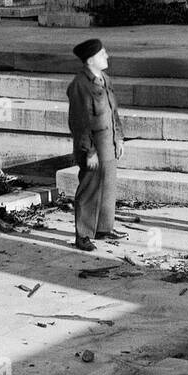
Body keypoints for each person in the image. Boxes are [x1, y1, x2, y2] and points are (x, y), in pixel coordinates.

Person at [66, 38, 127, 251]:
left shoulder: (105, 79)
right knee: (90, 188)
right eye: (103, 54)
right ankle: (83, 234)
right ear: (91, 59)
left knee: (108, 185)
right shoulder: (80, 85)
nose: (107, 56)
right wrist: (88, 151)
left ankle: (104, 227)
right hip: (92, 145)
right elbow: (79, 122)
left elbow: (113, 111)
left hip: (108, 141)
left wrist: (119, 138)